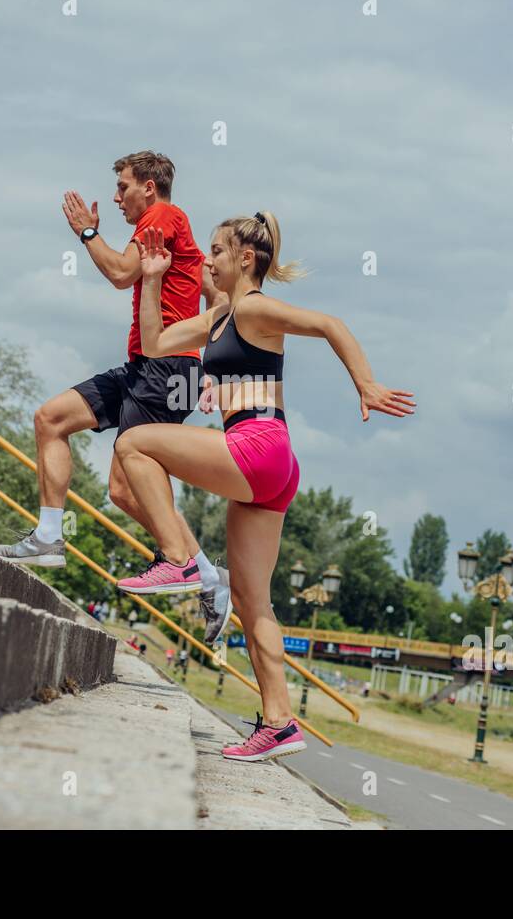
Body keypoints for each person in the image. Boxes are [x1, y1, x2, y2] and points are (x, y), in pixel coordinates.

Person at [112, 213, 415, 761]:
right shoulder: (221, 318)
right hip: (272, 466)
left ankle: (179, 557)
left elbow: (330, 324)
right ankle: (278, 723)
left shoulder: (251, 309)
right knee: (255, 603)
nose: (207, 261)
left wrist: (366, 384)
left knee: (134, 445)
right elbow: (155, 341)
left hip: (258, 445)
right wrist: (152, 277)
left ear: (245, 260)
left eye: (216, 252)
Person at [0, 151, 233, 637]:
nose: (117, 197)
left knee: (125, 488)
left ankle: (195, 569)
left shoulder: (162, 215)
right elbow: (215, 291)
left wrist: (86, 233)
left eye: (123, 186)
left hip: (167, 372)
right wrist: (211, 359)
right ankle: (49, 536)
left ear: (149, 186)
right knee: (51, 420)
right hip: (146, 367)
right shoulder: (171, 228)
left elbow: (123, 273)